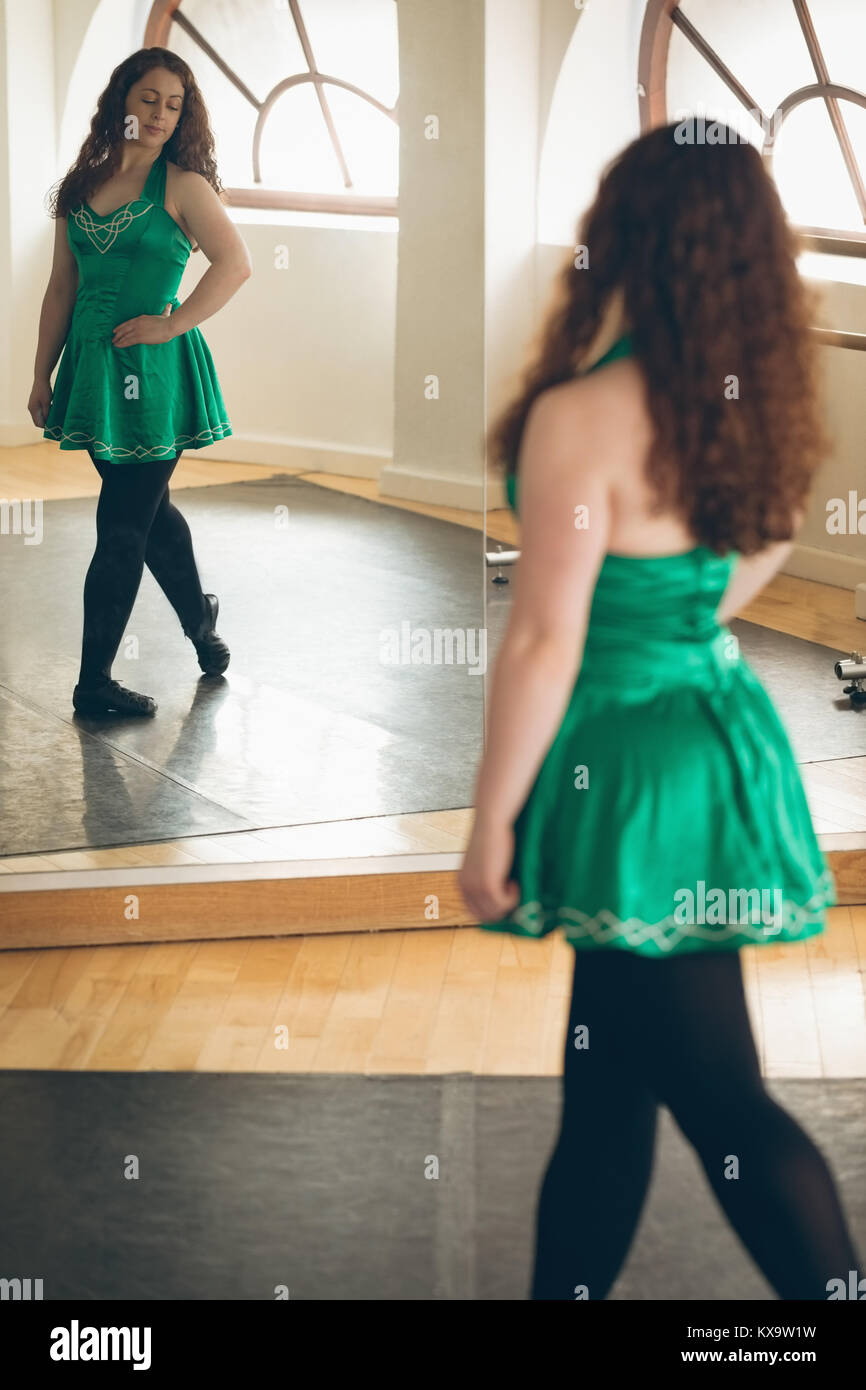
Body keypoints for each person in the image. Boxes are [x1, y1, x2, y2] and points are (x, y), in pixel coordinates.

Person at [459, 123, 862, 1301]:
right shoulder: (743, 400)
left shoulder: (584, 413)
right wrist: (684, 619)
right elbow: (769, 534)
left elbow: (544, 639)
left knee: (720, 1102)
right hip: (715, 733)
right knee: (607, 1089)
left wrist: (488, 824)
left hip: (632, 769)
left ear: (625, 232)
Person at [28, 47, 250, 718]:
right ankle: (202, 625)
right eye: (149, 98)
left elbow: (234, 264)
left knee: (121, 524)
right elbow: (61, 285)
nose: (159, 114)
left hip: (154, 378)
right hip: (93, 376)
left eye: (174, 105)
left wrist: (171, 323)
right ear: (123, 99)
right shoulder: (81, 185)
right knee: (147, 517)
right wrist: (41, 371)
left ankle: (93, 683)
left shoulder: (184, 186)